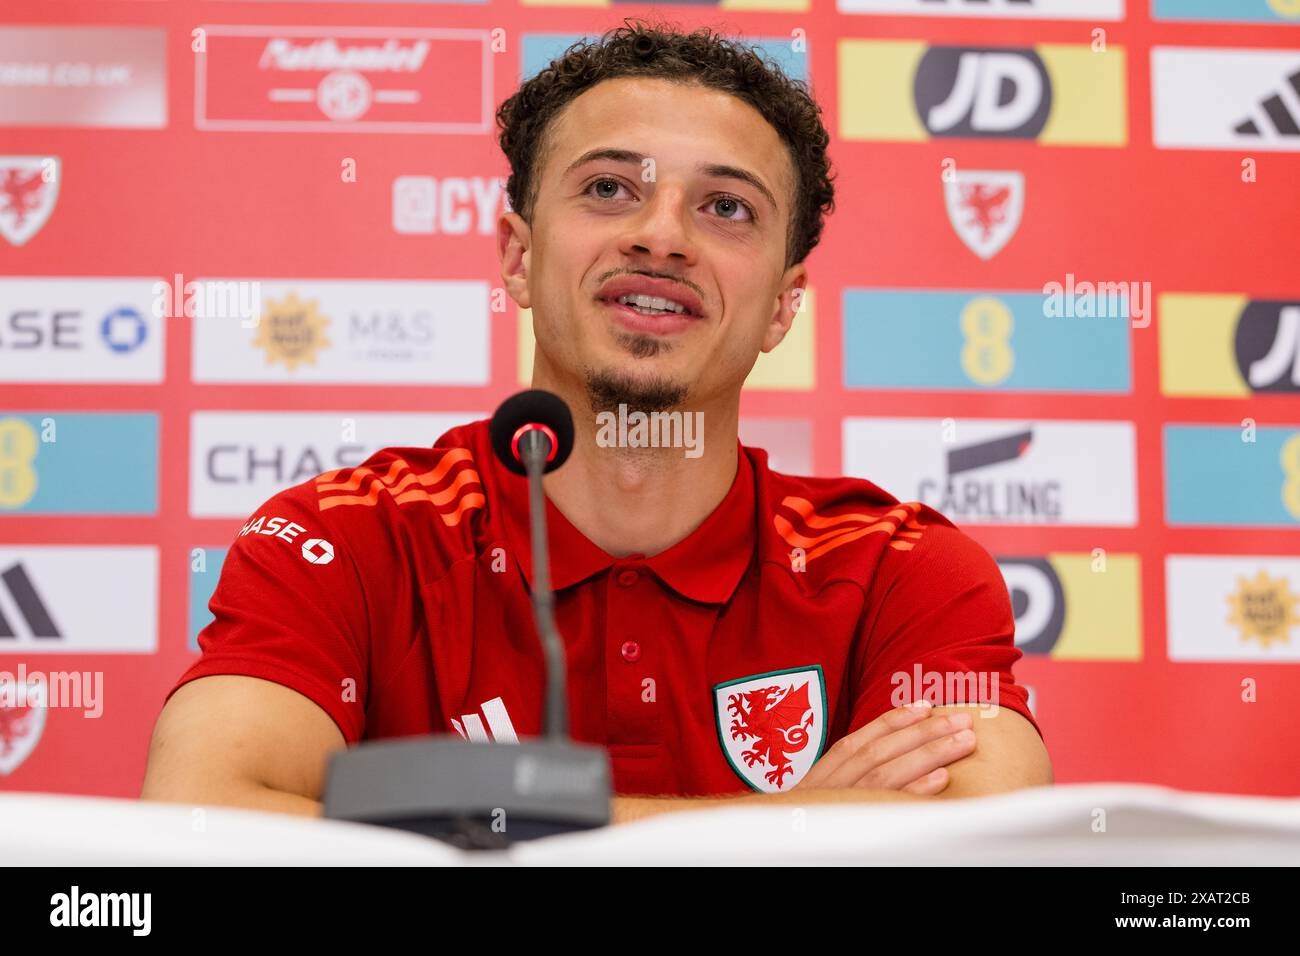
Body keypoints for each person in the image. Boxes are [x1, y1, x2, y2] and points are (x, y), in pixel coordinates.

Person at [141, 19, 1051, 823]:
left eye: (725, 207)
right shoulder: (341, 541)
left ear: (783, 305)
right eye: (610, 189)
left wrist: (466, 832)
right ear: (518, 255)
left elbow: (994, 848)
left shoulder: (904, 571)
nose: (662, 237)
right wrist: (790, 829)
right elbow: (200, 823)